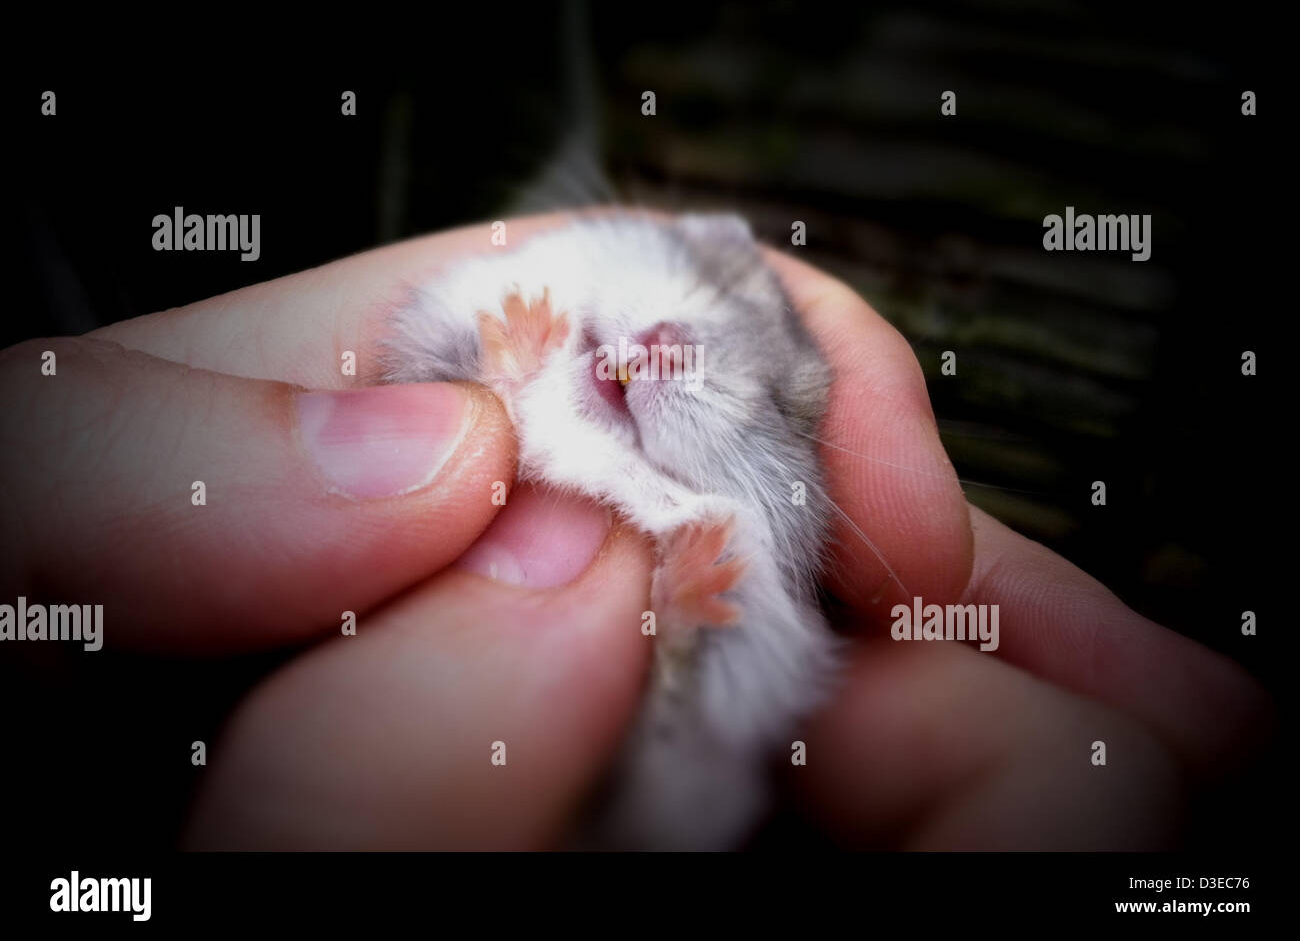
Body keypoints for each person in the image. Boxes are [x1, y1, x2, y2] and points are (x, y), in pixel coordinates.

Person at [0, 213, 1269, 849]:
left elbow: (762, 691)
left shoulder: (739, 542)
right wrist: (512, 369)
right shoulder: (500, 377)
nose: (676, 348)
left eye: (766, 401)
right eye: (696, 294)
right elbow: (424, 358)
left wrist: (700, 609)